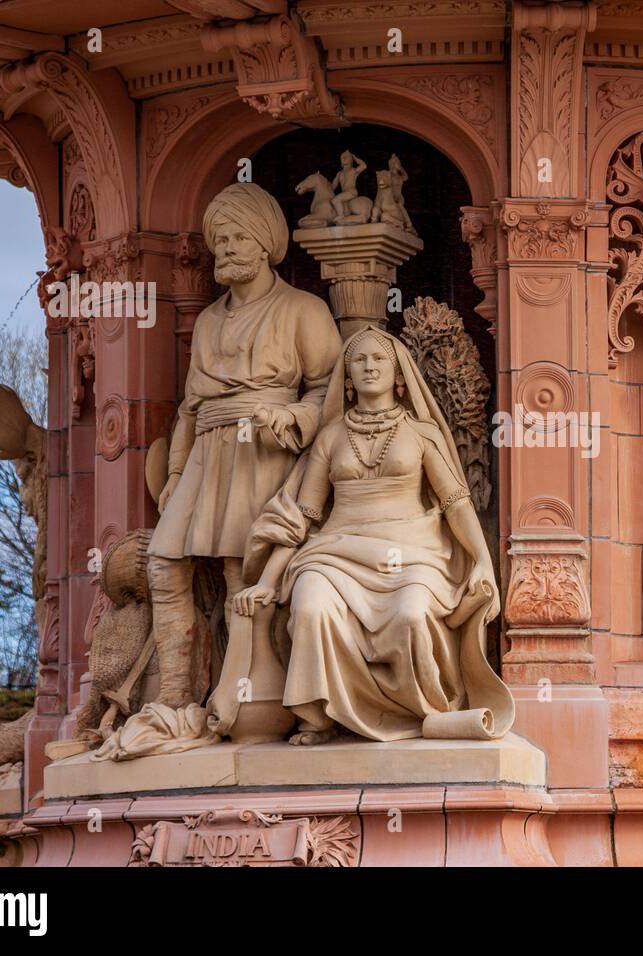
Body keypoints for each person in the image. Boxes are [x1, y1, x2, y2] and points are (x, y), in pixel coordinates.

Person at [221, 326, 512, 743]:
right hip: (334, 554)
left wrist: (482, 560)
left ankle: (425, 711)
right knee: (309, 606)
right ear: (348, 376)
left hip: (414, 554)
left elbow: (457, 503)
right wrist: (268, 582)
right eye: (359, 360)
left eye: (379, 359)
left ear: (398, 375)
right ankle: (322, 718)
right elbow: (304, 516)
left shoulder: (422, 433)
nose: (369, 366)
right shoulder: (330, 437)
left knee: (412, 614)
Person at [146, 182, 342, 708]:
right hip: (208, 454)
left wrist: (293, 414)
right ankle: (172, 694)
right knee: (162, 564)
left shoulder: (303, 310)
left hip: (265, 451)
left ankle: (247, 696)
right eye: (221, 240)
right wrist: (173, 474)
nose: (227, 249)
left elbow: (330, 388)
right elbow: (189, 406)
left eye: (238, 238)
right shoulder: (208, 321)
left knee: (243, 570)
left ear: (265, 243)